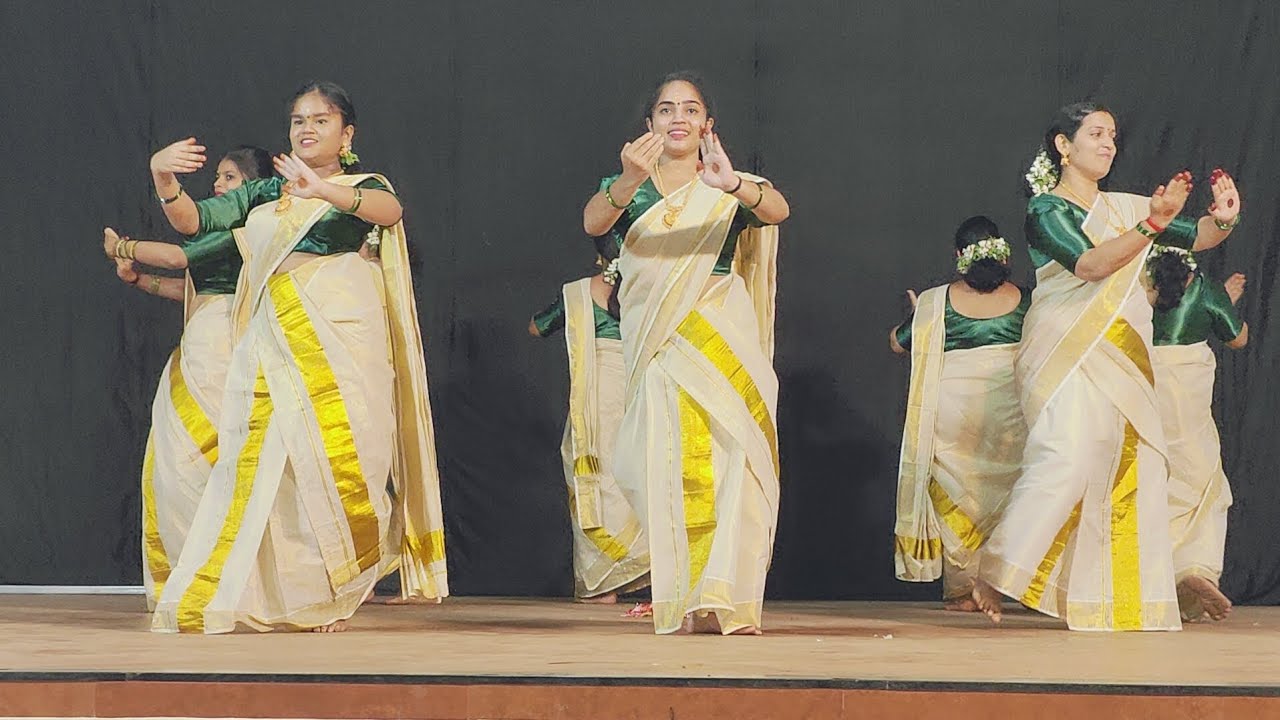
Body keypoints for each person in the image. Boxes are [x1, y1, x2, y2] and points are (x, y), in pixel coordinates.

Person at [143, 81, 447, 633]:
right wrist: (164, 178)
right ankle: (294, 597)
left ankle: (336, 591)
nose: (306, 129)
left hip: (342, 335)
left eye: (321, 120)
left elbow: (388, 210)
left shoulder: (360, 185)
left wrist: (322, 191)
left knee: (342, 458)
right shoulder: (263, 193)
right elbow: (193, 224)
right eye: (298, 120)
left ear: (346, 133)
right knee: (274, 469)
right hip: (273, 338)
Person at [973, 102, 1241, 631]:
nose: (1108, 143)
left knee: (1129, 469)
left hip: (1123, 356)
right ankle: (997, 566)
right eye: (1095, 133)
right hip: (1063, 351)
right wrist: (1152, 223)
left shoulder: (1126, 207)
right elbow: (1092, 265)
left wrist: (1225, 218)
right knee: (1067, 457)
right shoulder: (1048, 209)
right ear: (1063, 146)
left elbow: (1199, 236)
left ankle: (1106, 597)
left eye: (1113, 136)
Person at [584, 71, 790, 635]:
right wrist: (627, 179)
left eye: (691, 109)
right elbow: (593, 222)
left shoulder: (725, 182)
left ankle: (727, 596)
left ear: (707, 125)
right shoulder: (630, 183)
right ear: (648, 124)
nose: (679, 118)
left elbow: (777, 210)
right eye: (667, 109)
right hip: (658, 339)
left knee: (733, 459)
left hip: (720, 329)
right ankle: (685, 592)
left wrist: (733, 186)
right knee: (660, 462)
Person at [104, 144, 273, 609]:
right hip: (202, 340)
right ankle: (194, 573)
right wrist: (139, 281)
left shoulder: (253, 232)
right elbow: (191, 285)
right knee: (181, 460)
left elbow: (180, 258)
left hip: (226, 348)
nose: (219, 185)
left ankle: (224, 579)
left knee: (214, 458)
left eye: (231, 178)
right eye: (218, 177)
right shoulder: (229, 235)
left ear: (255, 188)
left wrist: (122, 246)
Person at [890, 216, 1030, 610]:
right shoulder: (1029, 300)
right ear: (1004, 254)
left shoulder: (936, 302)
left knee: (956, 495)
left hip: (951, 413)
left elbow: (896, 344)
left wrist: (922, 320)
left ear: (959, 256)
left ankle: (963, 589)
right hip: (1011, 413)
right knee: (1015, 492)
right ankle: (1010, 582)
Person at [529, 236, 650, 606]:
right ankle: (650, 566)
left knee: (594, 480)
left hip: (597, 400)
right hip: (641, 391)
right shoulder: (652, 290)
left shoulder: (580, 294)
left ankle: (601, 584)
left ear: (600, 257)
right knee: (641, 474)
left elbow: (536, 327)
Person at [1147, 243, 1248, 621]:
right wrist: (1222, 301)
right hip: (1186, 400)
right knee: (1205, 484)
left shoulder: (1135, 285)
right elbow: (1238, 338)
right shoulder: (1203, 287)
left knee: (1153, 483)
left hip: (1141, 390)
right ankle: (1194, 568)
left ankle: (1162, 580)